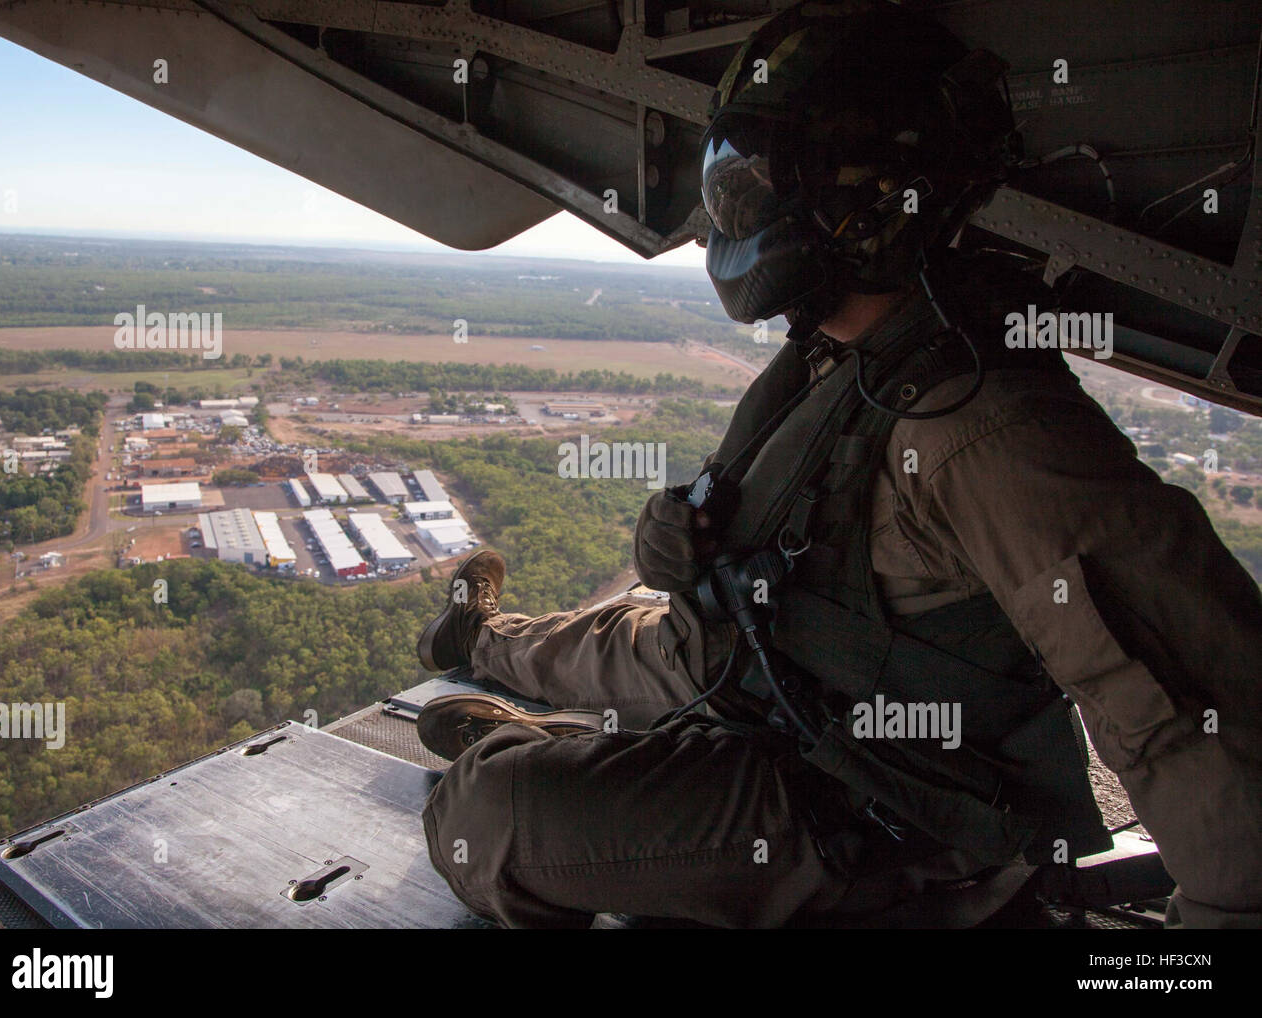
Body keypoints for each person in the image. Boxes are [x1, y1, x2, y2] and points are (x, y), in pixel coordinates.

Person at [414, 0, 1262, 929]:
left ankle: (524, 749)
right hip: (759, 665)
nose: (733, 207)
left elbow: (1195, 709)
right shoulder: (847, 350)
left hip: (861, 799)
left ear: (858, 199)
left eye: (758, 179)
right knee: (615, 634)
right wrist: (677, 539)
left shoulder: (987, 426)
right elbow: (781, 516)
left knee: (482, 814)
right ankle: (479, 644)